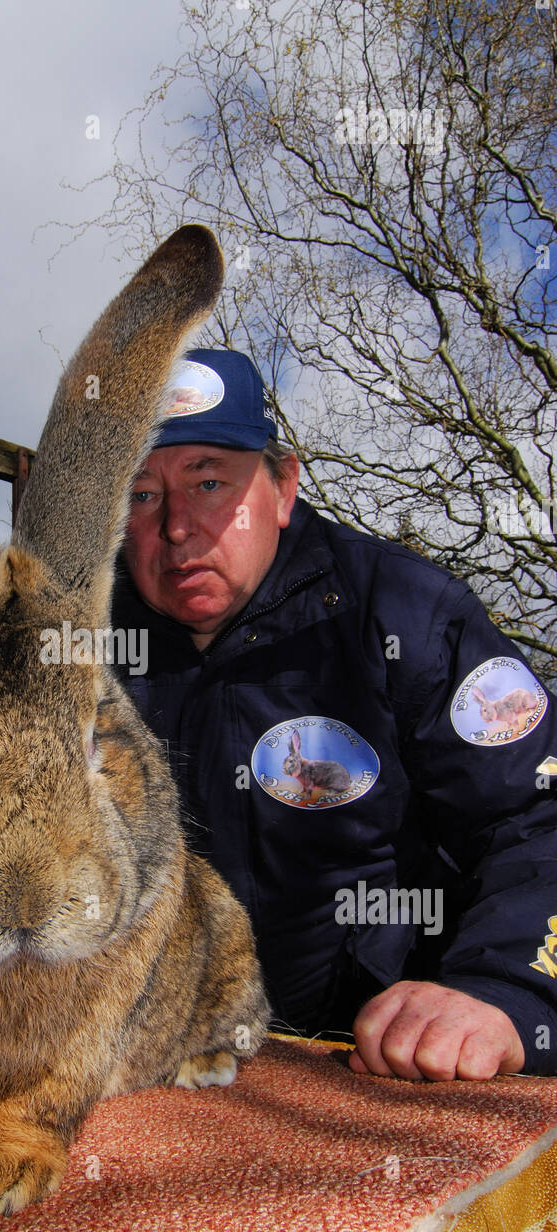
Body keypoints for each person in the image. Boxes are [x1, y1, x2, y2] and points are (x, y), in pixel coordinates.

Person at [110, 348, 557, 1080]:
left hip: (376, 1068)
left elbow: (536, 817)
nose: (179, 528)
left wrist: (504, 989)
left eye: (210, 483)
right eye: (142, 495)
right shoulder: (77, 651)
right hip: (158, 1066)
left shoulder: (405, 614)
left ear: (282, 487)